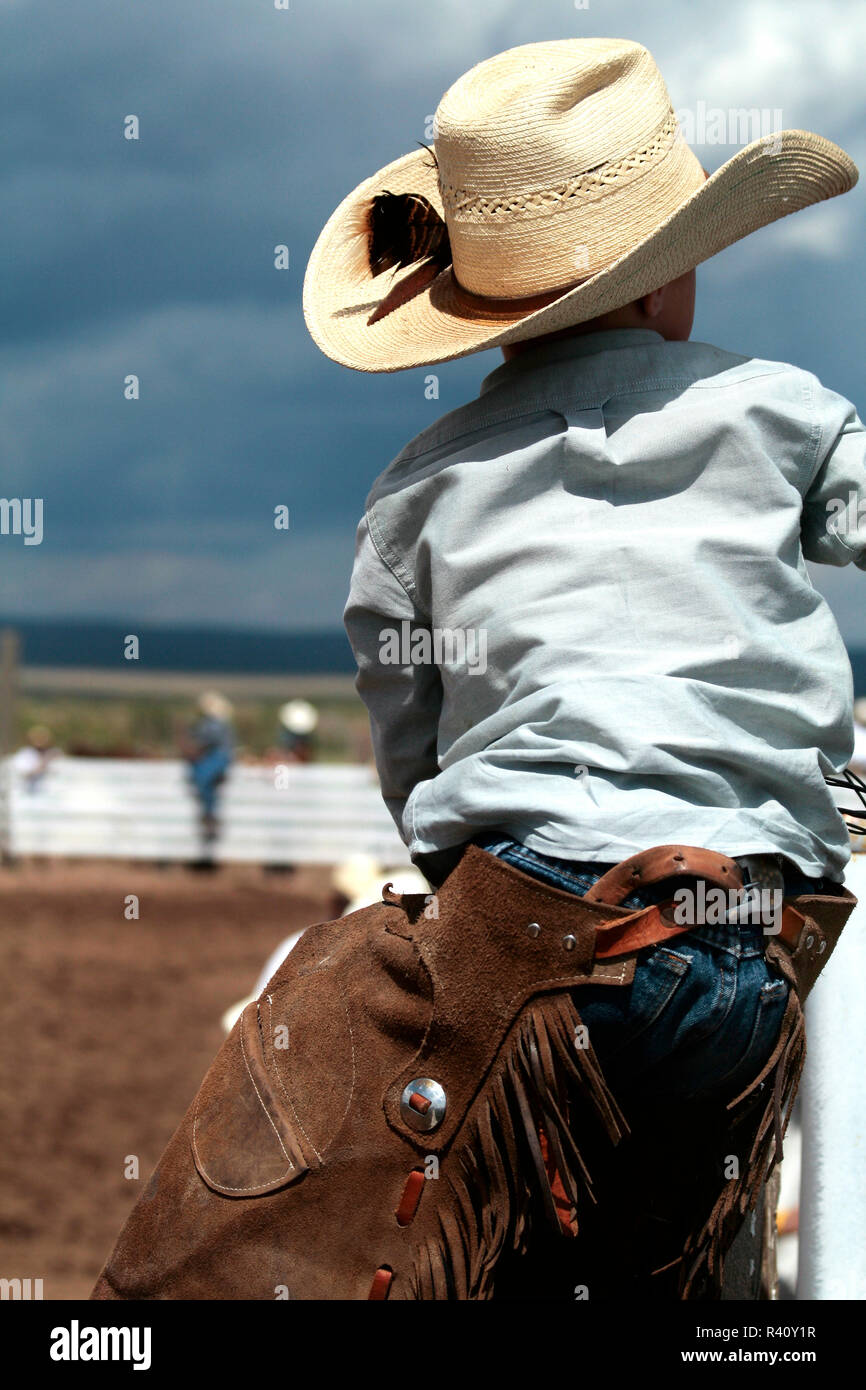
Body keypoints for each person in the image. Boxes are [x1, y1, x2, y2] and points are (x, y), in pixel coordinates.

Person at [92, 38, 861, 1302]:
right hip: (765, 932)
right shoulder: (780, 409)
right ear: (675, 276)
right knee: (676, 1231)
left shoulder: (419, 488)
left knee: (325, 1047)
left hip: (551, 929)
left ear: (486, 316)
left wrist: (455, 849)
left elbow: (410, 724)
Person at [180, 691, 235, 855]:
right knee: (203, 780)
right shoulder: (216, 724)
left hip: (217, 758)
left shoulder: (212, 725)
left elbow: (204, 742)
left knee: (203, 779)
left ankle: (209, 815)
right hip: (217, 758)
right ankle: (209, 815)